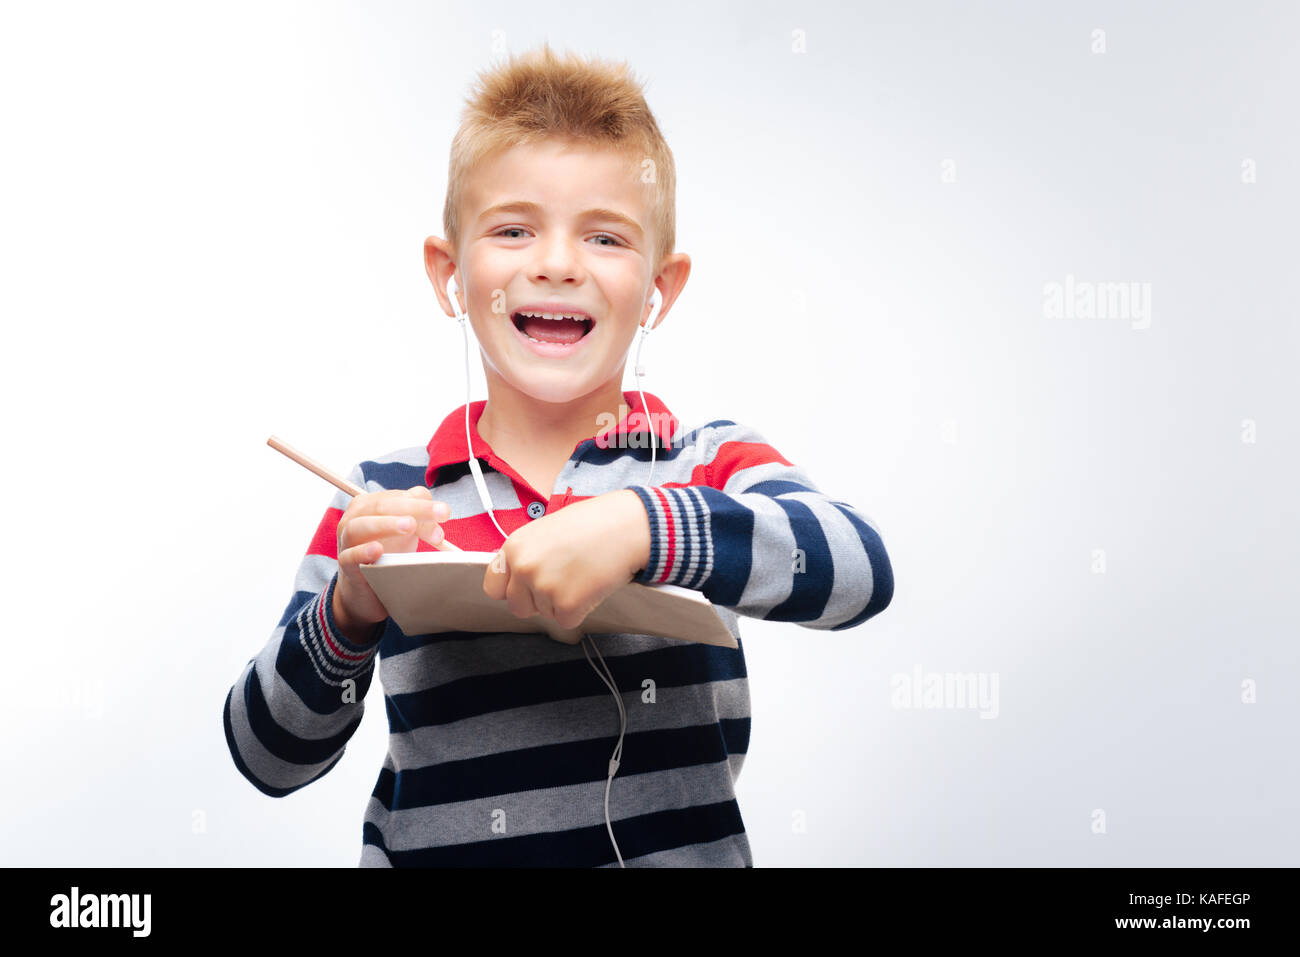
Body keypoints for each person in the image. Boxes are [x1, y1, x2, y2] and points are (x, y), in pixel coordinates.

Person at [223, 42, 893, 867]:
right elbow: (266, 756)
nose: (556, 263)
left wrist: (644, 529)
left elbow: (861, 568)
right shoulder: (383, 499)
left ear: (660, 288)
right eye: (512, 229)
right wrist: (348, 612)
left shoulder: (701, 466)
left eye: (605, 238)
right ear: (449, 273)